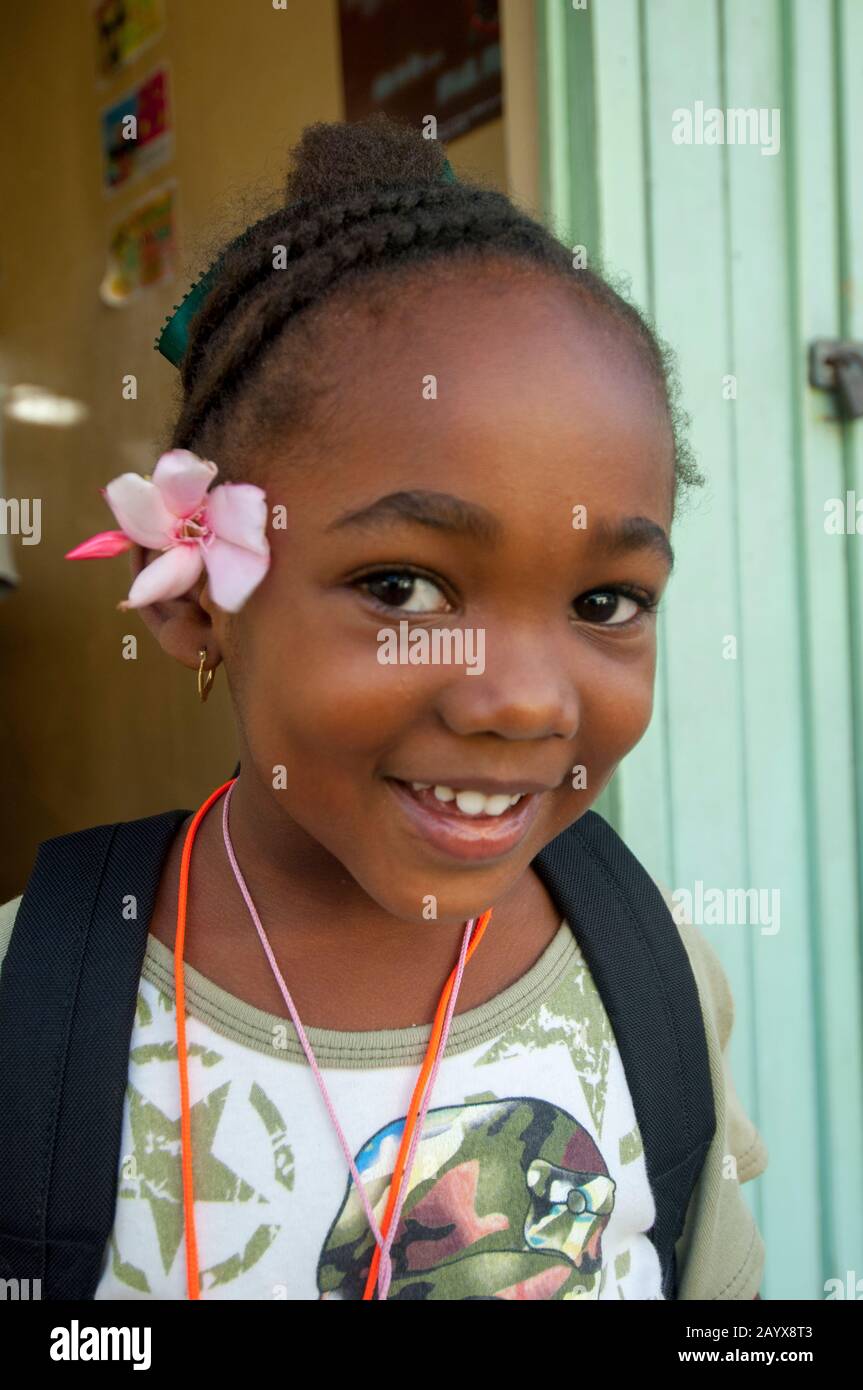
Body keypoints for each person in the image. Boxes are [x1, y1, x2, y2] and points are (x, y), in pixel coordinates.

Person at [0, 114, 766, 1301]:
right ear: (199, 602)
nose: (520, 701)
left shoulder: (654, 979)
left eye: (606, 599)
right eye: (401, 586)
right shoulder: (30, 1007)